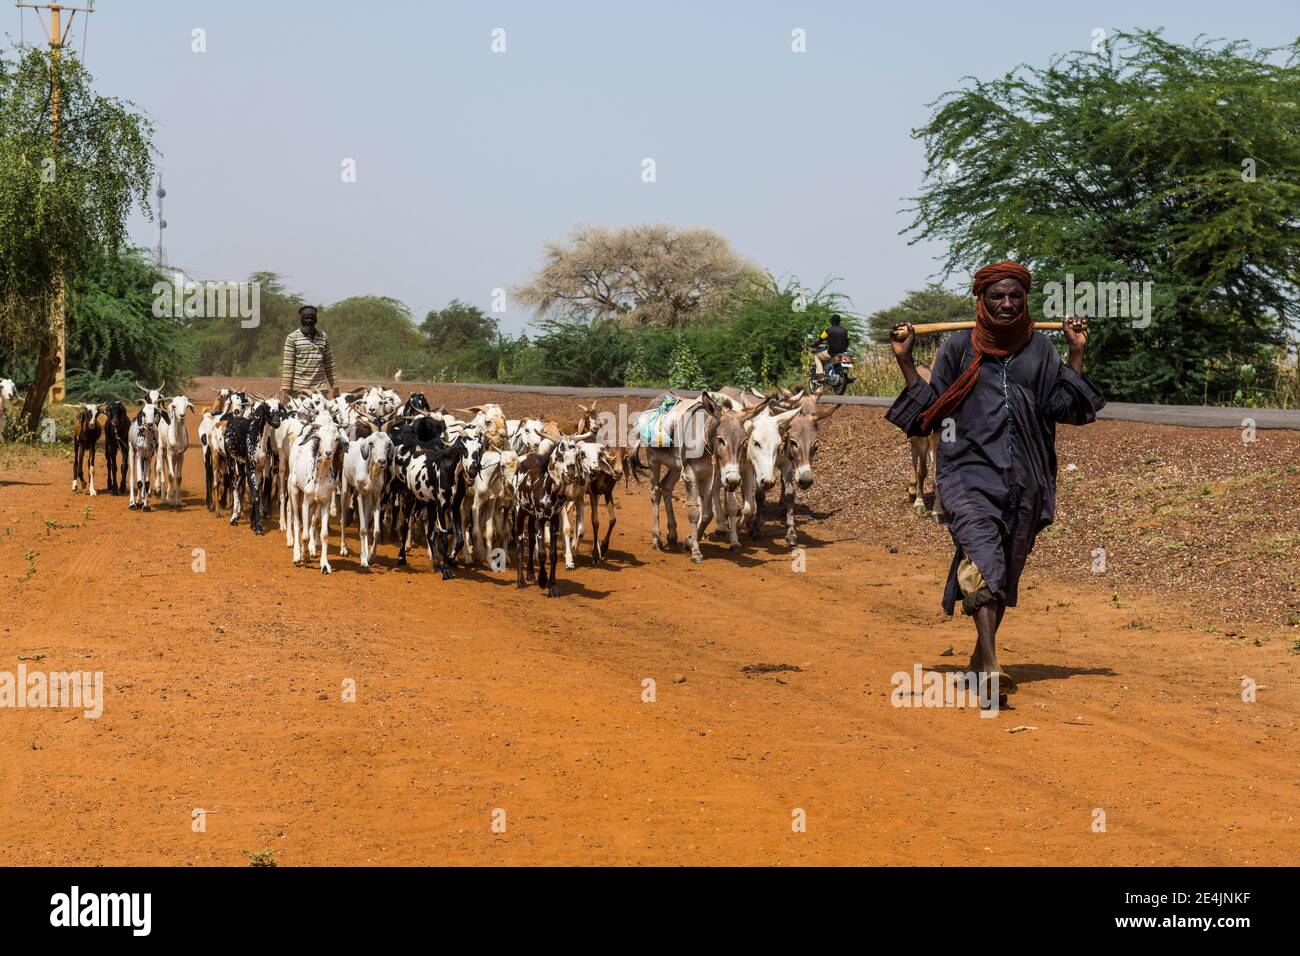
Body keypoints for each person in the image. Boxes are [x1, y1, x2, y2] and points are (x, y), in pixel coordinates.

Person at [886, 261, 1104, 706]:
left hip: (1027, 477)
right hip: (966, 473)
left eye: (1015, 297)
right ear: (980, 301)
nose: (1006, 304)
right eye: (997, 297)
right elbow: (931, 410)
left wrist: (1076, 352)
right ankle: (989, 666)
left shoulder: (1040, 350)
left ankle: (976, 660)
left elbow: (1064, 407)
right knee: (983, 556)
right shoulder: (958, 349)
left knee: (1002, 567)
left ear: (1025, 300)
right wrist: (906, 362)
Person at [281, 305, 338, 400]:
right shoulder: (292, 338)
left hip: (320, 391)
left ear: (316, 320)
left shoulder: (323, 336)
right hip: (298, 391)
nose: (310, 320)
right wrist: (286, 393)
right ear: (301, 319)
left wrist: (335, 386)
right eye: (307, 318)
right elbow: (288, 367)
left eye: (312, 318)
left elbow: (329, 364)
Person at [813, 313, 851, 378]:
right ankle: (845, 376)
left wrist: (813, 345)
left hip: (831, 353)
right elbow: (848, 341)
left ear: (831, 321)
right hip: (843, 353)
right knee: (846, 359)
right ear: (839, 321)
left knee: (816, 356)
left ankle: (820, 375)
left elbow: (820, 340)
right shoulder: (846, 330)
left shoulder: (828, 330)